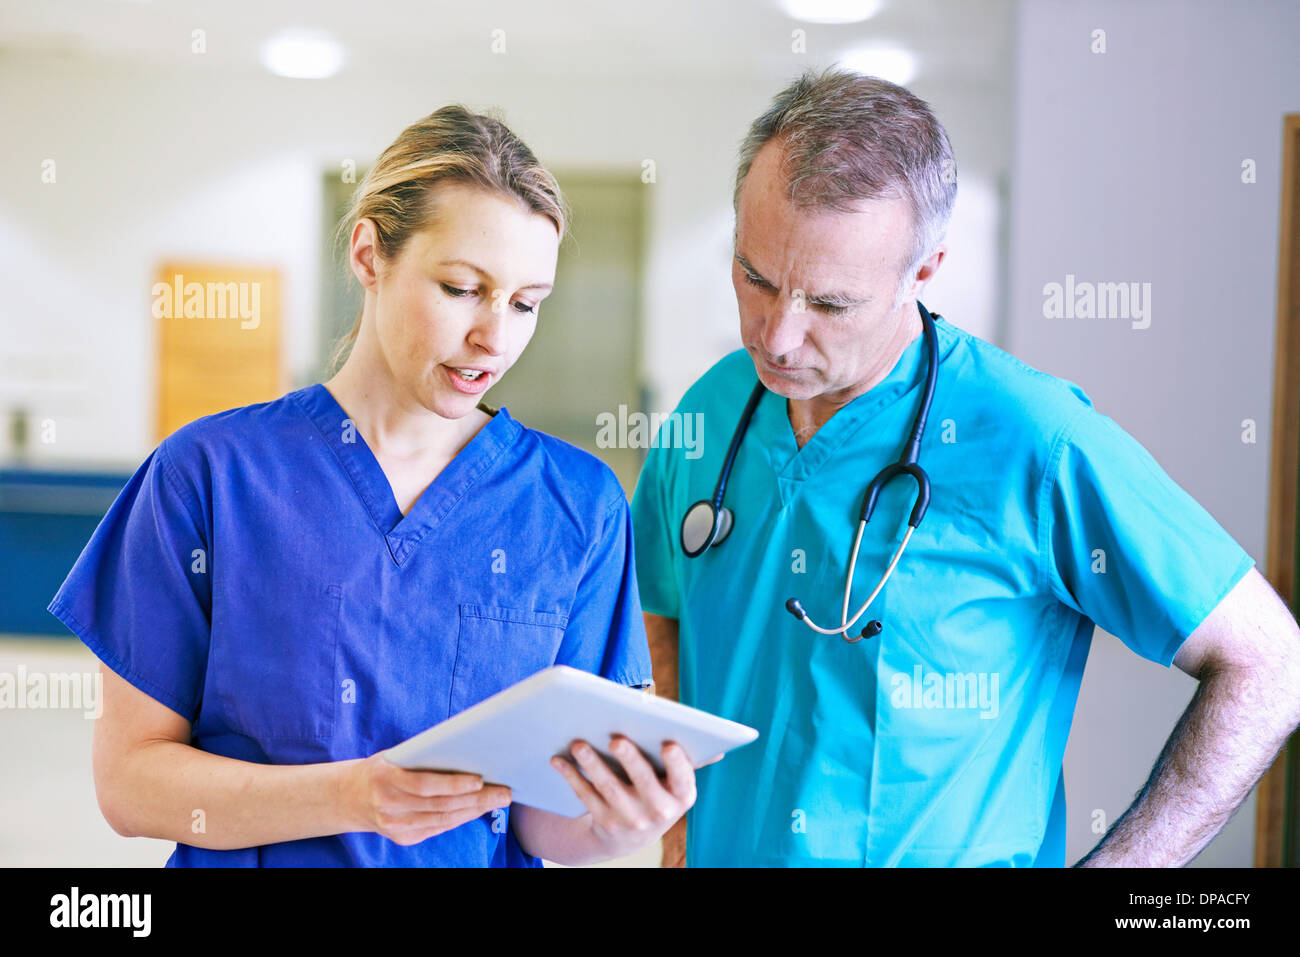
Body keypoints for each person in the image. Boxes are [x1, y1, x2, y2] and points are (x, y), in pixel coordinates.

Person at [630, 67, 1300, 867]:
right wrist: (677, 834)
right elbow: (660, 611)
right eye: (755, 278)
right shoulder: (710, 412)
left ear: (925, 270)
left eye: (830, 304)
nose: (776, 336)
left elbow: (1271, 664)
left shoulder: (1032, 439)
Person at [49, 104, 701, 867]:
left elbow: (540, 822)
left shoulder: (579, 505)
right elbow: (131, 783)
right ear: (368, 254)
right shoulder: (210, 475)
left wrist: (620, 824)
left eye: (526, 304)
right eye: (462, 288)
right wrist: (353, 797)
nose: (495, 336)